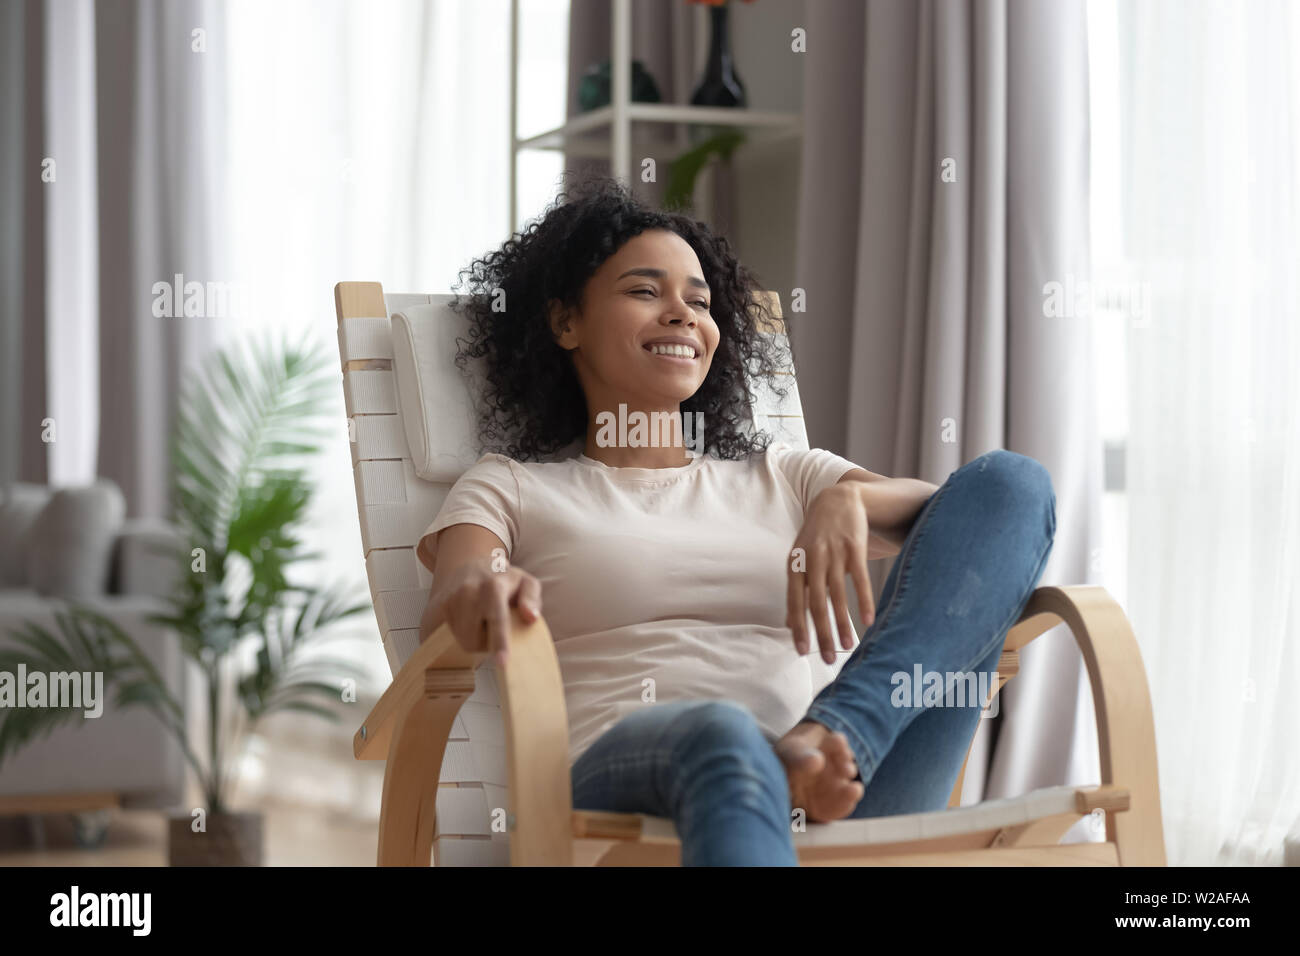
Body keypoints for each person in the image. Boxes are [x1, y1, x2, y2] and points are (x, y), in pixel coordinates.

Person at [417, 175, 1056, 866]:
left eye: (699, 301)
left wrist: (850, 499)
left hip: (839, 797)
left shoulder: (783, 474)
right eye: (644, 291)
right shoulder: (512, 486)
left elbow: (982, 520)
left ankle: (832, 737)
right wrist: (482, 593)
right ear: (566, 321)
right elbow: (452, 596)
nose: (682, 314)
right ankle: (792, 755)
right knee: (724, 732)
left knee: (1017, 481)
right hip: (623, 792)